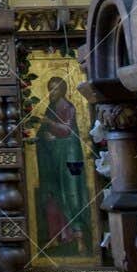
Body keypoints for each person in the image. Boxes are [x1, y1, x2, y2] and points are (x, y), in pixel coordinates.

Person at [36, 77, 89, 255]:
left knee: (71, 195)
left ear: (63, 90)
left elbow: (67, 131)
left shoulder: (68, 107)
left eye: (55, 89)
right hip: (52, 159)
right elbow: (43, 133)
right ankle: (55, 237)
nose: (52, 93)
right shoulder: (50, 108)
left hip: (69, 159)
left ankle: (79, 239)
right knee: (52, 195)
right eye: (50, 89)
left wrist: (50, 125)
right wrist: (45, 136)